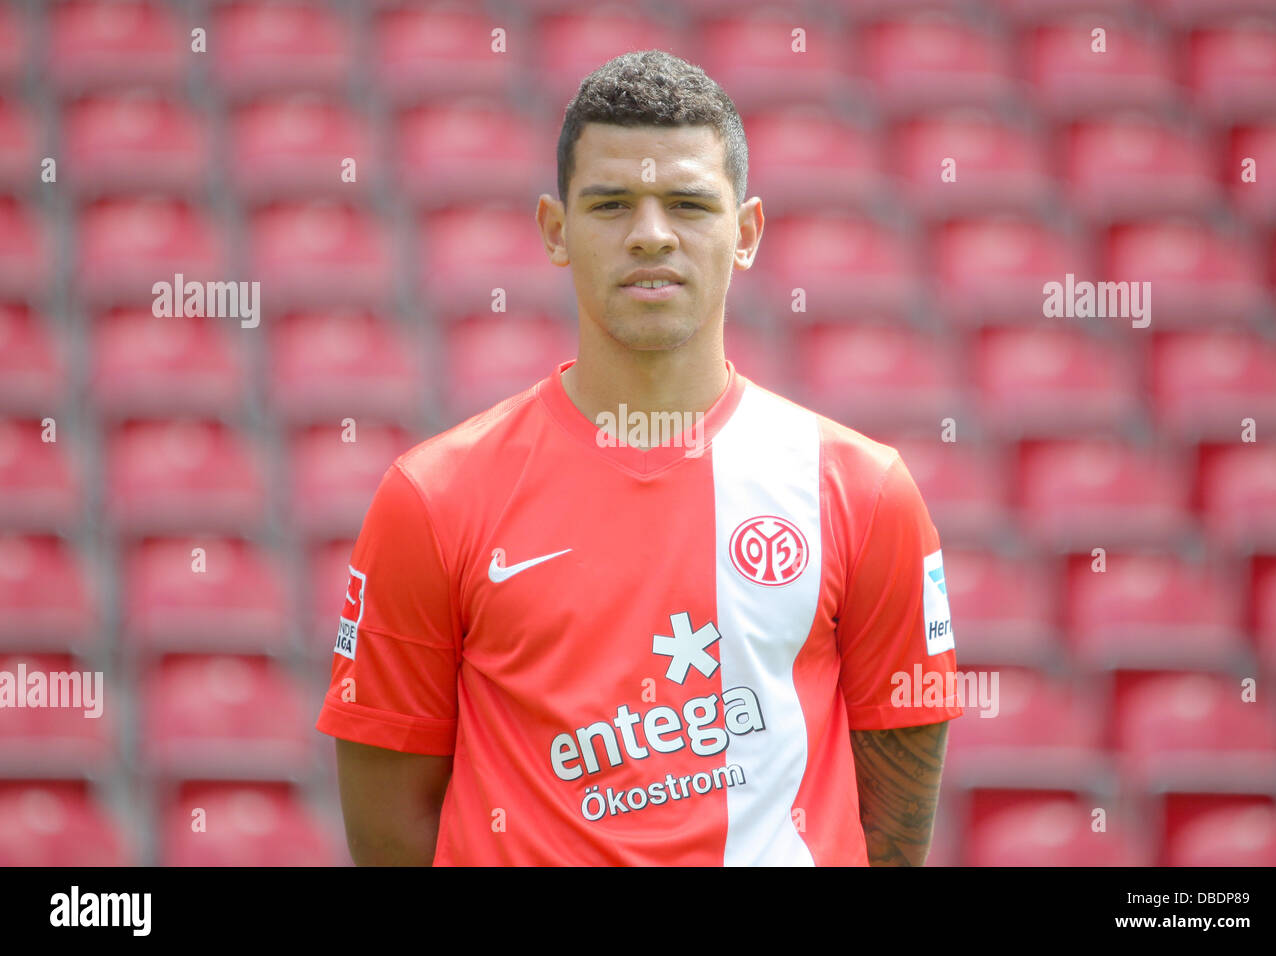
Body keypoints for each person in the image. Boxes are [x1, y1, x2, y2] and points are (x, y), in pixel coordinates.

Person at [316, 49, 963, 866]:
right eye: (612, 203)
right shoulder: (433, 497)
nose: (651, 235)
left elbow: (895, 831)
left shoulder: (864, 493)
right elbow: (390, 830)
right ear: (556, 230)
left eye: (689, 203)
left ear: (747, 231)